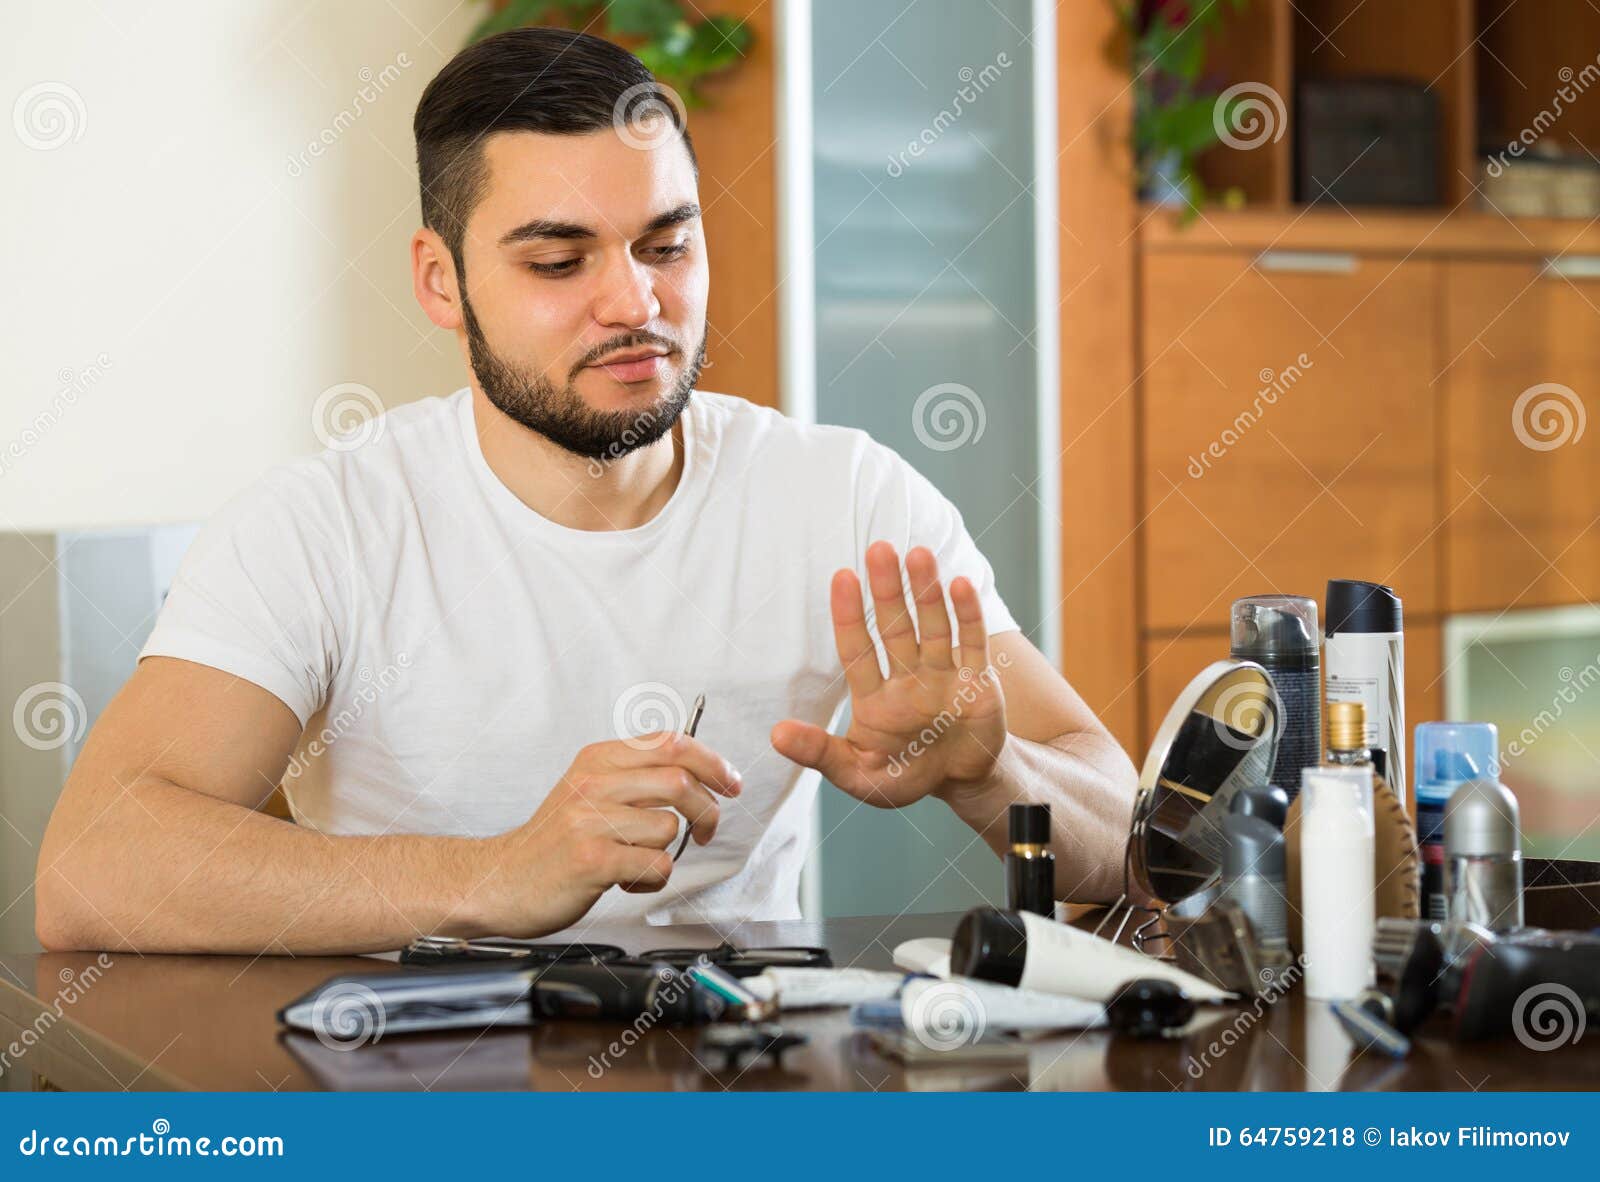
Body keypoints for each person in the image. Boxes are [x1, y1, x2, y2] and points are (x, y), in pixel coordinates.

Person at [35, 27, 1137, 955]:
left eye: (667, 244)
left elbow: (1134, 841)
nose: (633, 302)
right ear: (440, 281)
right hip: (412, 1088)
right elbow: (90, 870)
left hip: (743, 1078)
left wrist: (991, 775)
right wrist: (496, 874)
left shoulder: (842, 495)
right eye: (558, 262)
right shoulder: (324, 526)